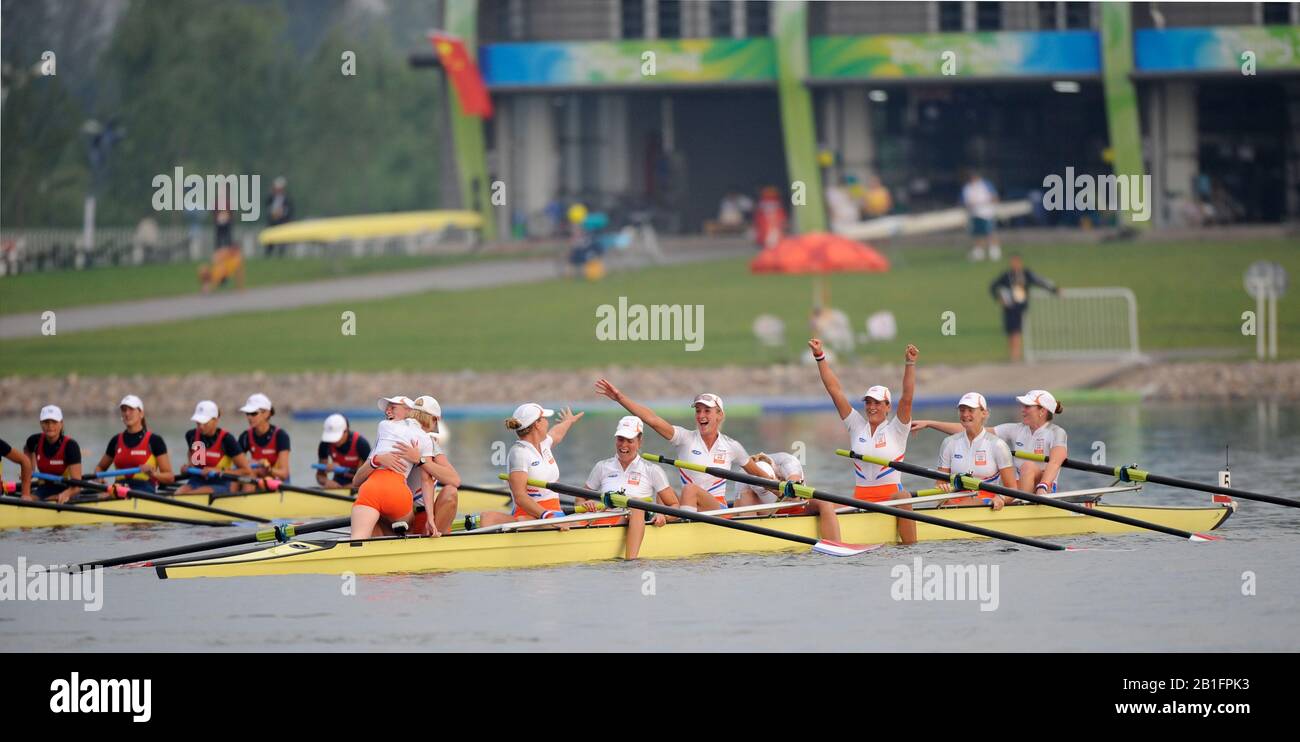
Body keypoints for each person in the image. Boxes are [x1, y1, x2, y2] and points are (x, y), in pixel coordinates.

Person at [595, 381, 767, 513]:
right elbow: (653, 420)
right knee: (664, 494)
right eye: (698, 411)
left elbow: (757, 474)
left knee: (690, 489)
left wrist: (784, 490)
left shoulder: (731, 446)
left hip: (717, 510)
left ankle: (684, 530)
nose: (701, 416)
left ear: (719, 415)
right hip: (691, 505)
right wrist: (620, 398)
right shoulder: (685, 438)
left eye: (707, 411)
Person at [810, 339, 920, 544]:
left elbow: (907, 397)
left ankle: (910, 549)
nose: (871, 407)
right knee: (820, 501)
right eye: (868, 402)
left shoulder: (897, 428)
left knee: (904, 496)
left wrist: (910, 364)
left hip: (891, 500)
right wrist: (820, 357)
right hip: (860, 499)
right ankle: (835, 548)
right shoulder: (856, 426)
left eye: (877, 403)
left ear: (888, 406)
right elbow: (835, 391)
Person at [911, 389, 1067, 495]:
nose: (1022, 409)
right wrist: (930, 423)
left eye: (1027, 406)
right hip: (1020, 487)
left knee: (1027, 466)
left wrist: (1043, 486)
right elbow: (973, 429)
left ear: (1042, 411)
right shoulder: (1015, 429)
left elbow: (1054, 463)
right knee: (1021, 474)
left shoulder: (1056, 433)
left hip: (1044, 489)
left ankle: (1020, 505)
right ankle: (1014, 500)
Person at [583, 416, 682, 559]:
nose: (624, 445)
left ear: (640, 442)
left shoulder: (652, 470)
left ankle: (631, 561)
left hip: (636, 517)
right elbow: (579, 500)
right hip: (603, 517)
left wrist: (663, 515)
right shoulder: (602, 466)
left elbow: (674, 505)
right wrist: (586, 503)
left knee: (636, 504)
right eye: (620, 439)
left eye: (630, 441)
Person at [478, 403, 590, 528]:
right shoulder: (519, 453)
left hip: (553, 513)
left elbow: (557, 432)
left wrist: (569, 421)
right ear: (537, 424)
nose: (547, 422)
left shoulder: (544, 443)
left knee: (581, 523)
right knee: (488, 517)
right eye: (545, 418)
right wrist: (548, 516)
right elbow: (520, 496)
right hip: (530, 516)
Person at [349, 396, 432, 539]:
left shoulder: (383, 426)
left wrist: (376, 461)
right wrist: (431, 518)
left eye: (392, 407)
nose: (387, 410)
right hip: (398, 493)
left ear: (409, 410)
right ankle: (403, 534)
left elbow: (356, 482)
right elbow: (427, 481)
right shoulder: (425, 438)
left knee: (357, 540)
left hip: (370, 489)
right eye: (387, 408)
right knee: (410, 527)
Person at [930, 393, 1018, 509]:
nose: (965, 414)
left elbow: (1012, 489)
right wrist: (943, 489)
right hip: (955, 498)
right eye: (962, 410)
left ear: (984, 413)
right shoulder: (949, 443)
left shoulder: (998, 445)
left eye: (970, 410)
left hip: (986, 498)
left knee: (963, 504)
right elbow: (940, 484)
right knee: (948, 503)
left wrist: (1001, 498)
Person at [94, 395, 174, 493]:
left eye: (131, 409)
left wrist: (153, 474)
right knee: (102, 495)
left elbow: (170, 477)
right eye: (124, 410)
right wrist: (99, 477)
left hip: (145, 492)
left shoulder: (155, 441)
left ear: (141, 413)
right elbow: (100, 467)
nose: (127, 413)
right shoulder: (115, 441)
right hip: (118, 490)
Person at [989, 253, 1060, 363]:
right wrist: (999, 298)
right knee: (1010, 331)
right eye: (1012, 262)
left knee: (1017, 330)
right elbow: (993, 285)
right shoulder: (1006, 275)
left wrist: (1054, 290)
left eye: (1016, 262)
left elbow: (1040, 281)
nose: (1014, 264)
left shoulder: (1026, 274)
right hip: (1009, 306)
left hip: (1020, 306)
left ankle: (1016, 355)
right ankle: (1013, 354)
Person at [177, 400, 254, 495]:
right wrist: (187, 468)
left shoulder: (227, 440)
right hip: (197, 480)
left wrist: (217, 470)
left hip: (221, 483)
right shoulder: (191, 435)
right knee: (178, 493)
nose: (201, 426)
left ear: (215, 420)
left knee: (193, 495)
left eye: (205, 422)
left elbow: (246, 470)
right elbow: (193, 463)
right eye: (198, 422)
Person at [23, 405, 81, 503]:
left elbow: (77, 487)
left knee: (43, 500)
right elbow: (27, 449)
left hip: (66, 489)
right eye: (46, 422)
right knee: (27, 499)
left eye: (54, 422)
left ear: (61, 423)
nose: (50, 426)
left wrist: (66, 494)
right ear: (41, 424)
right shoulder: (34, 441)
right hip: (44, 488)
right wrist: (29, 470)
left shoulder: (71, 446)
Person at [238, 393, 291, 483]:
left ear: (267, 413)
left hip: (279, 481)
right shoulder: (245, 436)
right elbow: (238, 466)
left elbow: (284, 473)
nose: (249, 417)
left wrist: (268, 469)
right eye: (247, 413)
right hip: (258, 478)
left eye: (254, 413)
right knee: (247, 476)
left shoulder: (281, 436)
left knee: (252, 475)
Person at [316, 414, 371, 489]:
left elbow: (371, 477)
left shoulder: (361, 444)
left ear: (346, 431)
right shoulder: (325, 443)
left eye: (336, 436)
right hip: (337, 484)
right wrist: (326, 481)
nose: (334, 441)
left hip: (358, 486)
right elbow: (320, 476)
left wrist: (350, 486)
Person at [199, 206, 245, 293]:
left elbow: (237, 261)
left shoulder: (231, 247)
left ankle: (210, 287)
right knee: (203, 268)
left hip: (225, 270)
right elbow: (214, 259)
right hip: (218, 267)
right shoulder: (218, 241)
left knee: (222, 268)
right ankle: (206, 286)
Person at [962, 171, 1001, 262]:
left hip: (986, 213)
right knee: (977, 234)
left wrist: (988, 203)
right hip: (974, 214)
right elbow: (966, 202)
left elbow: (995, 197)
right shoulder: (967, 188)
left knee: (990, 232)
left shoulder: (985, 184)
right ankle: (979, 252)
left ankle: (994, 251)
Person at [264, 176, 294, 257]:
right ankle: (268, 254)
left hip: (282, 221)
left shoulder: (287, 199)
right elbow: (267, 207)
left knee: (282, 239)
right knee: (270, 238)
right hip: (272, 221)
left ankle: (281, 254)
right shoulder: (271, 197)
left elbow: (290, 210)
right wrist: (273, 213)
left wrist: (282, 213)